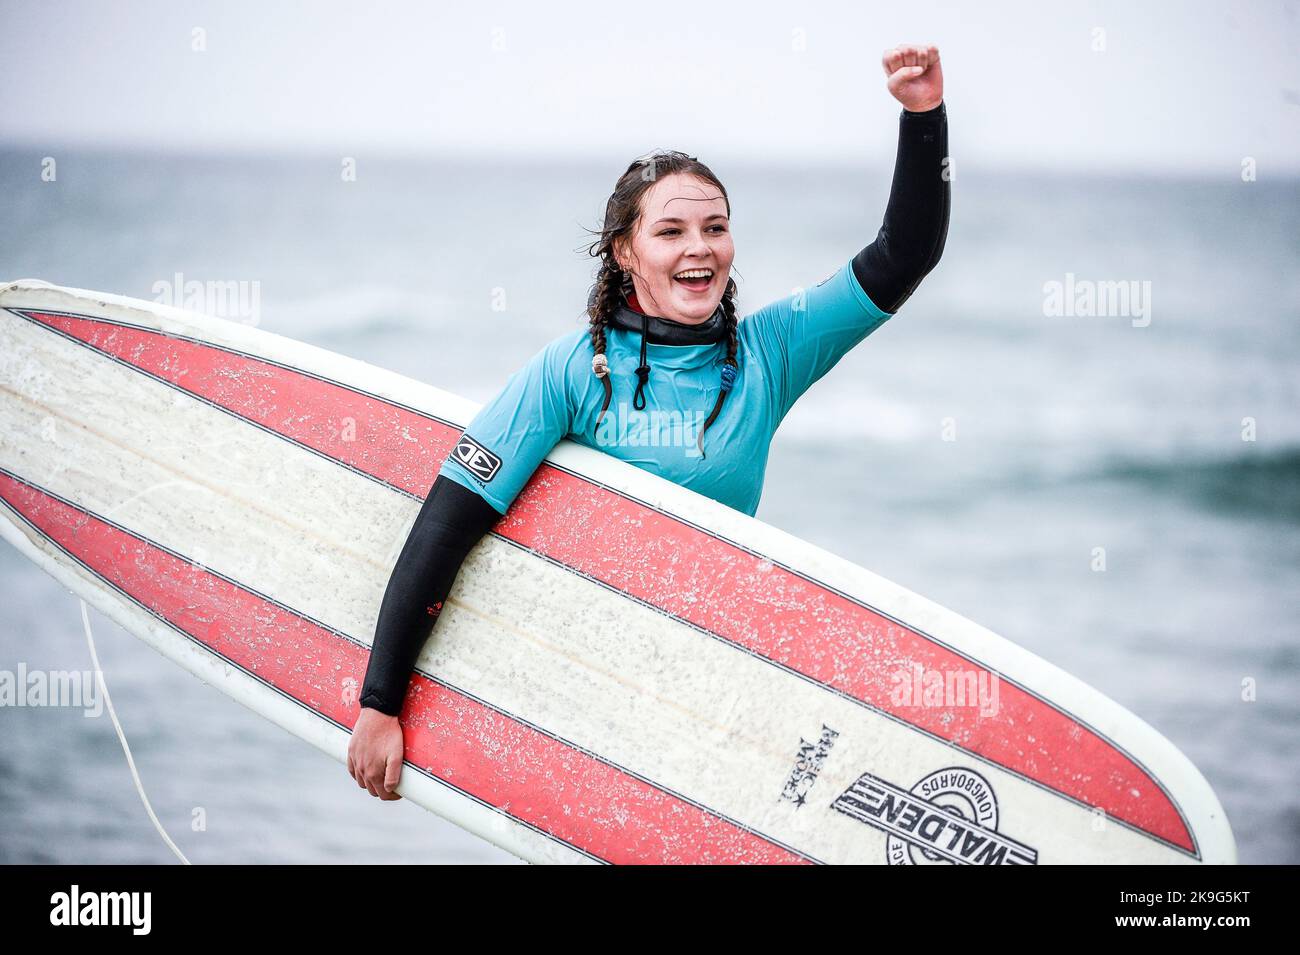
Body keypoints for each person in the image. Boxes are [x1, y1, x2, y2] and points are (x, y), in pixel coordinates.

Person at [347, 43, 950, 800]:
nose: (700, 248)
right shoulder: (572, 369)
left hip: (707, 689)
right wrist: (381, 703)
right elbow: (448, 521)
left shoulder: (770, 353)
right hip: (577, 686)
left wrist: (921, 115)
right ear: (627, 250)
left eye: (716, 227)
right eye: (671, 232)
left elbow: (904, 256)